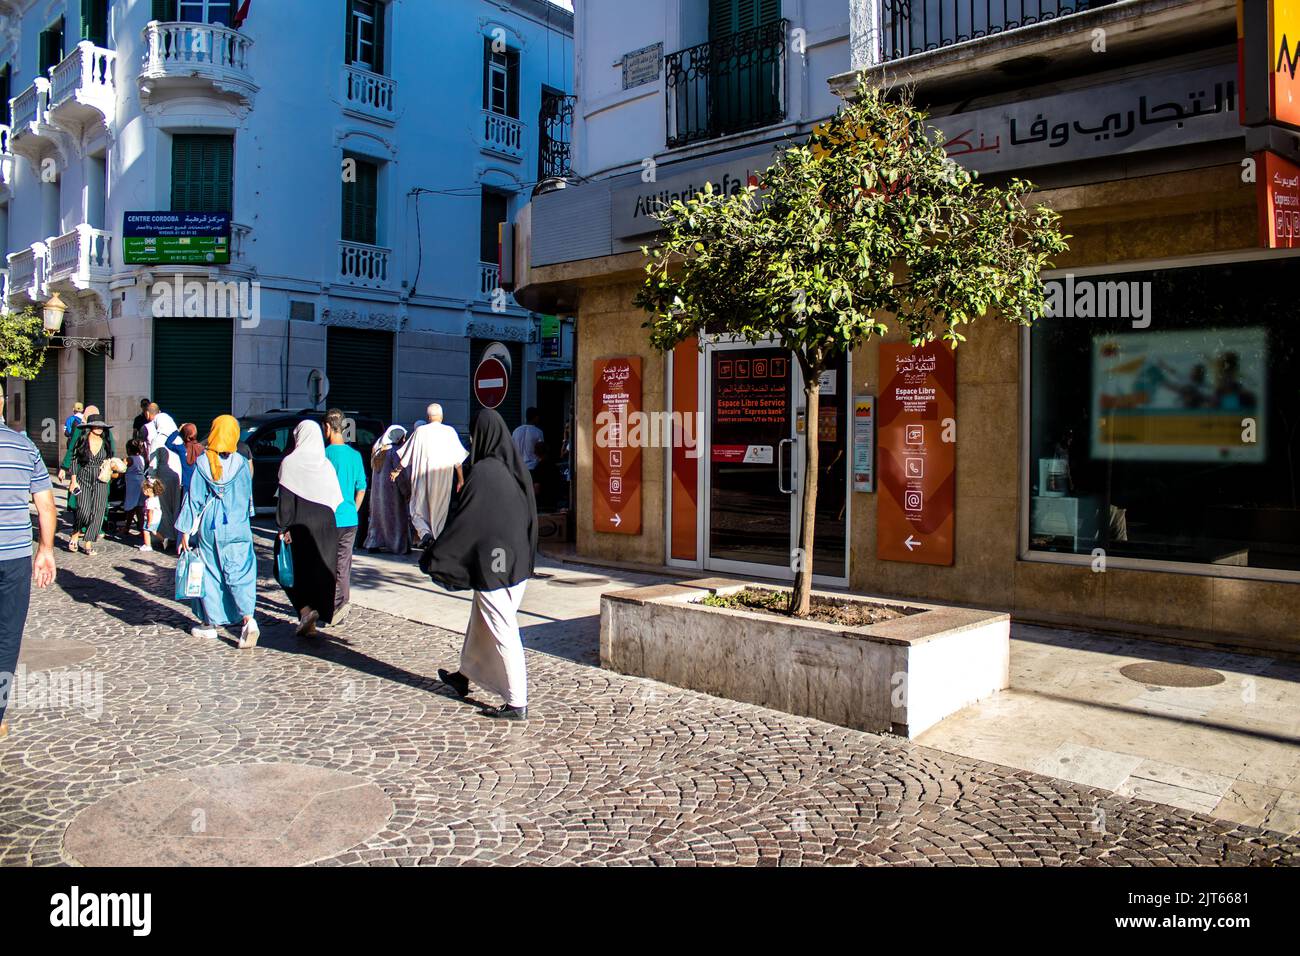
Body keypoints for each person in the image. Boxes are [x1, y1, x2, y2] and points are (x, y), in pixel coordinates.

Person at [422, 409, 538, 721]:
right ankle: (464, 674)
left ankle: (517, 701)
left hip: (493, 564)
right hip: (515, 561)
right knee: (481, 622)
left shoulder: (483, 472)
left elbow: (467, 520)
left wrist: (437, 552)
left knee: (502, 629)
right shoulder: (513, 470)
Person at [0, 392, 58, 740]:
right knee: (7, 638)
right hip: (15, 557)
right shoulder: (24, 448)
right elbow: (47, 506)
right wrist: (46, 550)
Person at [178, 416, 259, 649]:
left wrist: (184, 530)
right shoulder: (242, 463)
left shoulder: (204, 463)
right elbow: (246, 496)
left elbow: (193, 499)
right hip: (238, 524)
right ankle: (248, 619)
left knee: (211, 573)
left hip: (211, 527)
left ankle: (210, 624)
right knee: (241, 571)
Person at [275, 420, 342, 637]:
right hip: (327, 524)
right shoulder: (326, 465)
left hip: (300, 523)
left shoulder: (290, 462)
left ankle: (305, 611)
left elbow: (285, 501)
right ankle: (312, 615)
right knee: (319, 571)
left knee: (288, 571)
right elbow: (335, 499)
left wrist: (282, 527)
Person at [394, 403, 466, 549]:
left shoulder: (420, 431)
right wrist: (461, 479)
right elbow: (458, 460)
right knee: (440, 509)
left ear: (428, 417)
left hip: (422, 479)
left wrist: (397, 470)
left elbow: (406, 456)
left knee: (418, 509)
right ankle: (436, 538)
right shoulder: (450, 432)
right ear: (442, 416)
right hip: (442, 480)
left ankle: (425, 534)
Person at [323, 409, 367, 624]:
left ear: (328, 428)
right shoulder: (355, 455)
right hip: (350, 518)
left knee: (327, 563)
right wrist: (354, 509)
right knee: (343, 564)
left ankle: (328, 605)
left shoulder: (324, 455)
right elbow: (361, 488)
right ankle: (341, 604)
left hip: (328, 519)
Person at [67, 415, 114, 556]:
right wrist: (73, 480)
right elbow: (74, 460)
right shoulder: (82, 440)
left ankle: (88, 542)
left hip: (101, 479)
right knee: (84, 510)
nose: (99, 428)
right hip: (83, 478)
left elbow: (110, 458)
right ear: (90, 427)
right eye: (96, 425)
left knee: (98, 511)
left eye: (101, 426)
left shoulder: (106, 442)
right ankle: (75, 533)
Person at [58, 404, 114, 516]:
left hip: (83, 470)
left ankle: (83, 527)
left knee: (83, 500)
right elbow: (112, 452)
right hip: (102, 472)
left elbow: (72, 450)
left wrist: (64, 468)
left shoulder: (80, 430)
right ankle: (96, 527)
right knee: (98, 502)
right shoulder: (106, 431)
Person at [364, 425, 411, 554]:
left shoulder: (378, 451)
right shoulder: (395, 452)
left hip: (377, 493)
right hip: (392, 493)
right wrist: (407, 491)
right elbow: (401, 475)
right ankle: (397, 545)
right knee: (394, 519)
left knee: (378, 518)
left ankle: (374, 543)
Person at [144, 404, 182, 547]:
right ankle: (177, 534)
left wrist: (151, 480)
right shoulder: (178, 438)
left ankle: (167, 535)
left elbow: (153, 463)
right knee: (176, 506)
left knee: (164, 508)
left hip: (163, 478)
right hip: (177, 477)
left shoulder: (157, 440)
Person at [165, 423, 204, 504]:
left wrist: (178, 431)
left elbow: (168, 443)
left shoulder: (181, 449)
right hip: (199, 484)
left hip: (186, 485)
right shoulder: (201, 449)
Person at [122, 438, 148, 540]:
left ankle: (138, 529)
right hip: (141, 482)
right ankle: (136, 529)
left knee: (133, 507)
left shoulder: (129, 459)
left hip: (132, 484)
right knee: (139, 507)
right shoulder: (141, 458)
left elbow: (121, 467)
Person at [511, 406, 544, 472]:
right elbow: (541, 452)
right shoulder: (538, 432)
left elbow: (511, 451)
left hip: (518, 469)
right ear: (536, 417)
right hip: (533, 468)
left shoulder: (516, 431)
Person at [139, 479, 164, 551]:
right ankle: (163, 539)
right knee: (153, 531)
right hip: (156, 519)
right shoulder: (155, 498)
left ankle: (148, 545)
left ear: (149, 490)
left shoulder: (150, 501)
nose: (143, 491)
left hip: (151, 519)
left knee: (146, 531)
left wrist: (149, 521)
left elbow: (150, 512)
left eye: (145, 489)